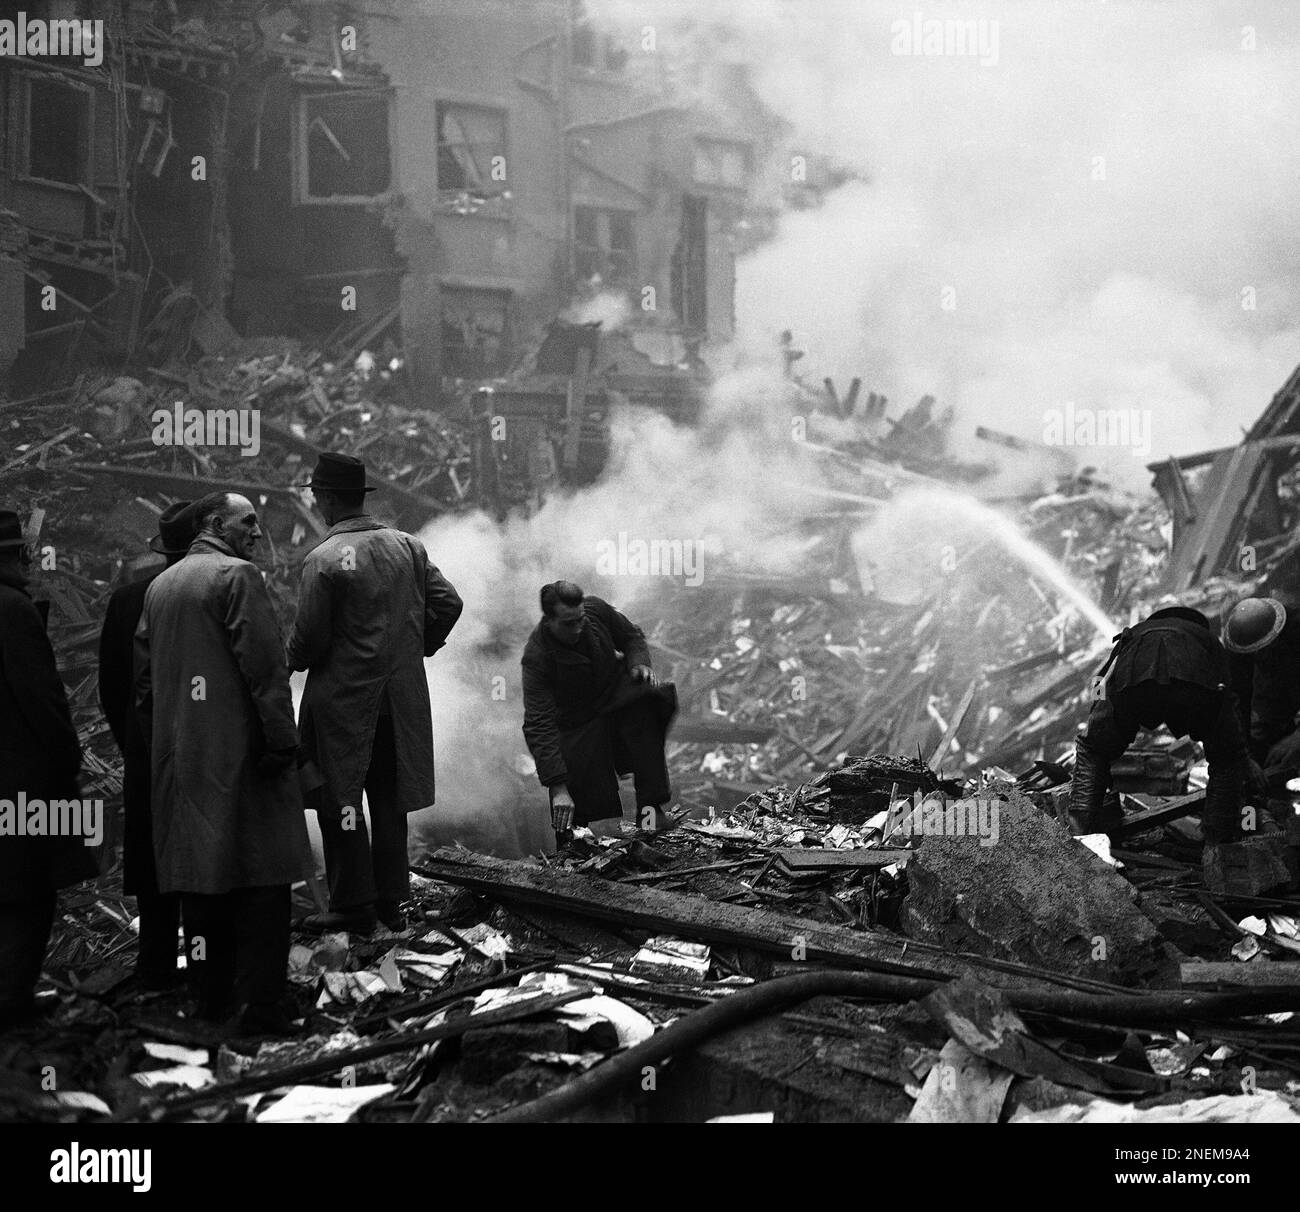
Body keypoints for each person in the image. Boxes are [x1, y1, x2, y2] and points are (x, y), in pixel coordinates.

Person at [135, 492, 309, 1033]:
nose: (258, 532)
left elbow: (144, 687)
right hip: (242, 755)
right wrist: (282, 741)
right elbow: (264, 668)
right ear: (215, 524)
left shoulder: (160, 587)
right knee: (262, 879)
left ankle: (210, 1000)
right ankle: (262, 1006)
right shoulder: (237, 578)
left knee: (203, 883)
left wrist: (164, 746)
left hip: (182, 757)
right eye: (248, 522)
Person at [288, 453, 462, 935]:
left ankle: (352, 904)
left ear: (325, 498)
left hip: (344, 703)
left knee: (339, 800)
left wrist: (285, 663)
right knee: (389, 801)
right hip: (399, 700)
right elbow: (449, 602)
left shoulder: (323, 560)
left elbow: (308, 639)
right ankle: (392, 901)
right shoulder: (407, 546)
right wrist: (418, 646)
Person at [0, 510, 98, 1026]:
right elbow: (42, 699)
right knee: (29, 890)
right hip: (20, 780)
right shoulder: (14, 610)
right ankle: (11, 1002)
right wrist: (68, 758)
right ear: (14, 556)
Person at [98, 502, 197, 988]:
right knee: (202, 865)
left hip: (147, 751)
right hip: (201, 753)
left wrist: (136, 744)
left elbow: (111, 689)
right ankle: (205, 971)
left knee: (155, 864)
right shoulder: (212, 594)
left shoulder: (126, 600)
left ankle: (155, 967)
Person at [1070, 605, 1251, 846]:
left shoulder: (1134, 634)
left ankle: (1079, 837)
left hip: (1133, 685)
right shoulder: (1208, 640)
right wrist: (1241, 751)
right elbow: (1229, 695)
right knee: (1227, 760)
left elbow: (1101, 685)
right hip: (1194, 688)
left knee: (1093, 750)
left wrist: (1098, 733)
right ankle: (1218, 846)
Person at [521, 581, 677, 835]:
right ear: (549, 621)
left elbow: (631, 636)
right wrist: (558, 787)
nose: (577, 628)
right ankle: (585, 843)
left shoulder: (596, 610)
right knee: (583, 807)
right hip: (575, 722)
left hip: (613, 697)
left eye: (580, 619)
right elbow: (539, 723)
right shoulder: (536, 658)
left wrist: (639, 664)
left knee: (647, 700)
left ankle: (651, 813)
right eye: (568, 624)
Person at [1221, 596, 1300, 791]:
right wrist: (1245, 756)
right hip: (1276, 691)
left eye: (1266, 647)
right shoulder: (1239, 646)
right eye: (1256, 652)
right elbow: (1239, 700)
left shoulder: (1296, 626)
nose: (1261, 654)